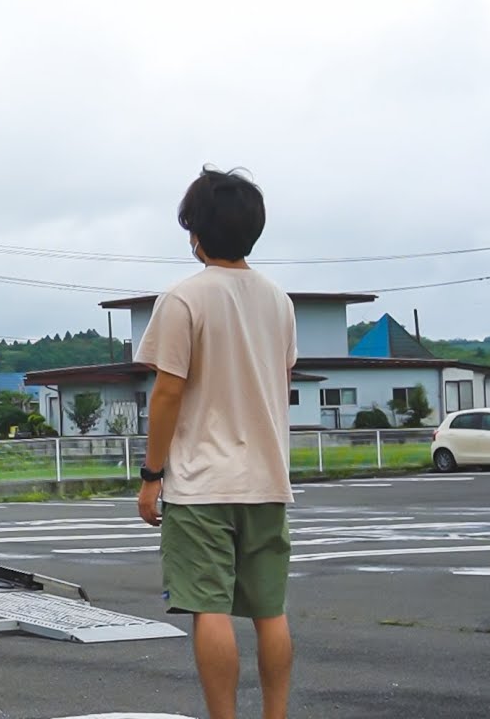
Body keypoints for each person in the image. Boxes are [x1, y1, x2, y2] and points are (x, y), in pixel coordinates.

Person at [134, 166, 297, 719]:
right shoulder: (279, 301)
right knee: (269, 611)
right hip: (268, 479)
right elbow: (282, 380)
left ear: (196, 232)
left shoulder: (183, 300)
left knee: (210, 609)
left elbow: (167, 393)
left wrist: (151, 476)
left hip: (202, 482)